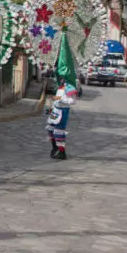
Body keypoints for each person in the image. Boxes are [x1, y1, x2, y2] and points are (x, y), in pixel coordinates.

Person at [40, 30, 79, 161]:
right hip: (56, 110)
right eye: (60, 76)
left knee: (59, 131)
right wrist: (51, 107)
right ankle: (54, 148)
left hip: (63, 111)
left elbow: (71, 101)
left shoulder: (70, 87)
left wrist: (59, 98)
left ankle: (62, 151)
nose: (60, 78)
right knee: (50, 129)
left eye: (62, 76)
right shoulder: (60, 86)